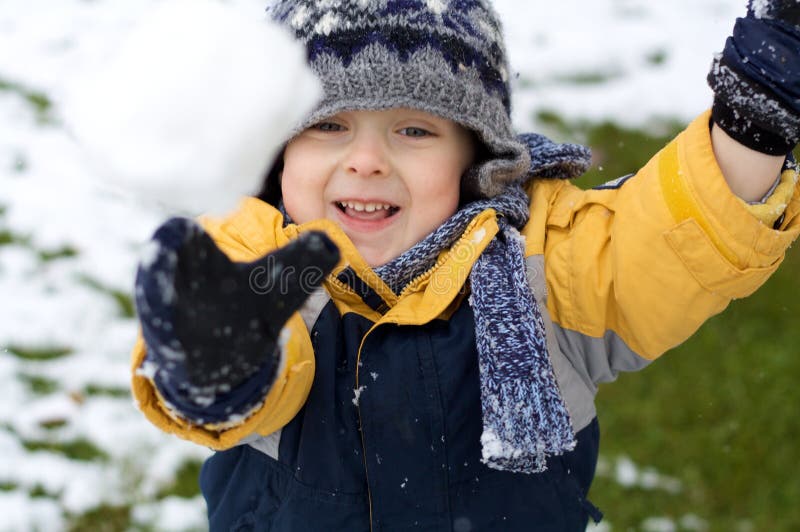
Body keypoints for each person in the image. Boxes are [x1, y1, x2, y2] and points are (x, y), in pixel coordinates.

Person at [130, 0, 800, 530]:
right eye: (327, 125)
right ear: (278, 153)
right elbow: (230, 351)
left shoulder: (541, 267)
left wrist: (754, 116)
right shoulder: (264, 266)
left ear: (476, 161)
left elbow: (673, 240)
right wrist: (210, 363)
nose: (367, 160)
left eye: (414, 130)